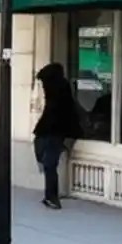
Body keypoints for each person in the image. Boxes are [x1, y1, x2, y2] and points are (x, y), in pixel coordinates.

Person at [34, 63, 84, 210]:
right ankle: (51, 196)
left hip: (55, 132)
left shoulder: (57, 93)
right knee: (48, 162)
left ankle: (52, 197)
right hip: (54, 131)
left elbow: (57, 114)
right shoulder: (59, 92)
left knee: (49, 163)